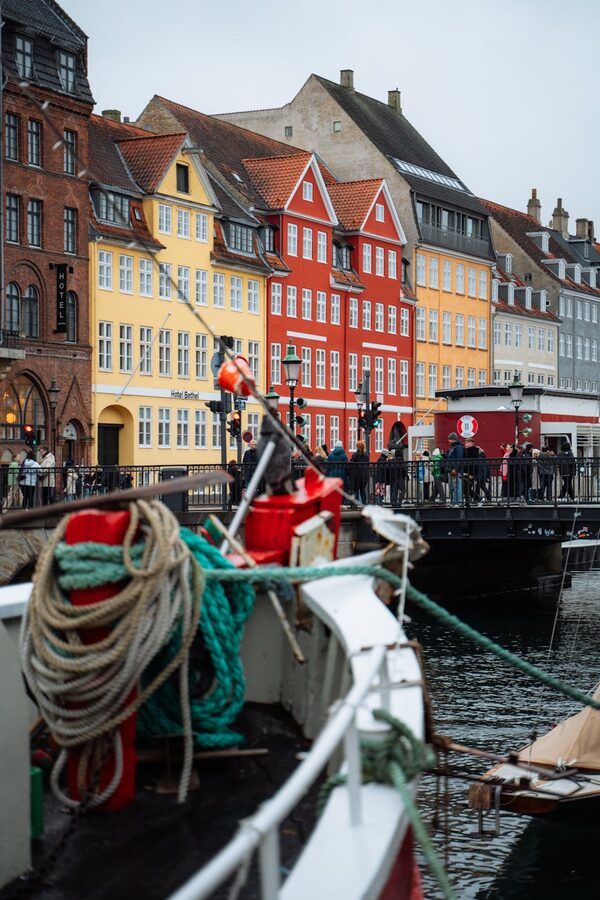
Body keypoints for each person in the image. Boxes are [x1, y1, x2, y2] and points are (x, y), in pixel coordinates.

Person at [446, 432, 464, 505]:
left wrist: (455, 469)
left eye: (449, 439)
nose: (448, 441)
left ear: (453, 440)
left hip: (456, 471)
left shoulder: (458, 447)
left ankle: (457, 502)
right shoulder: (453, 447)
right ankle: (454, 501)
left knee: (457, 485)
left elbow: (459, 459)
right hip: (453, 470)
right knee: (454, 486)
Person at [463, 437, 480, 504]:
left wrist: (472, 474)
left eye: (467, 443)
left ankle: (475, 498)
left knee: (467, 488)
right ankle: (472, 499)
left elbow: (475, 464)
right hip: (466, 472)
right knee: (466, 488)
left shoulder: (474, 451)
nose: (465, 444)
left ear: (471, 443)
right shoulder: (466, 450)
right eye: (465, 443)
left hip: (470, 472)